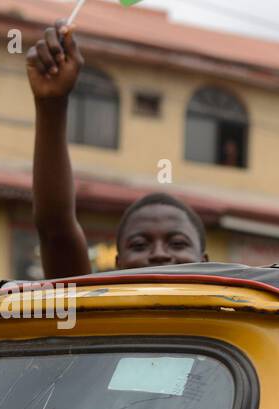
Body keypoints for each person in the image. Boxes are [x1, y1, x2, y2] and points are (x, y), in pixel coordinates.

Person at [25, 21, 209, 278]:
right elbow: (55, 229)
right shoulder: (95, 314)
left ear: (205, 262)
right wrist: (51, 103)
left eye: (178, 243)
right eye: (139, 245)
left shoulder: (238, 315)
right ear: (118, 263)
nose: (159, 254)